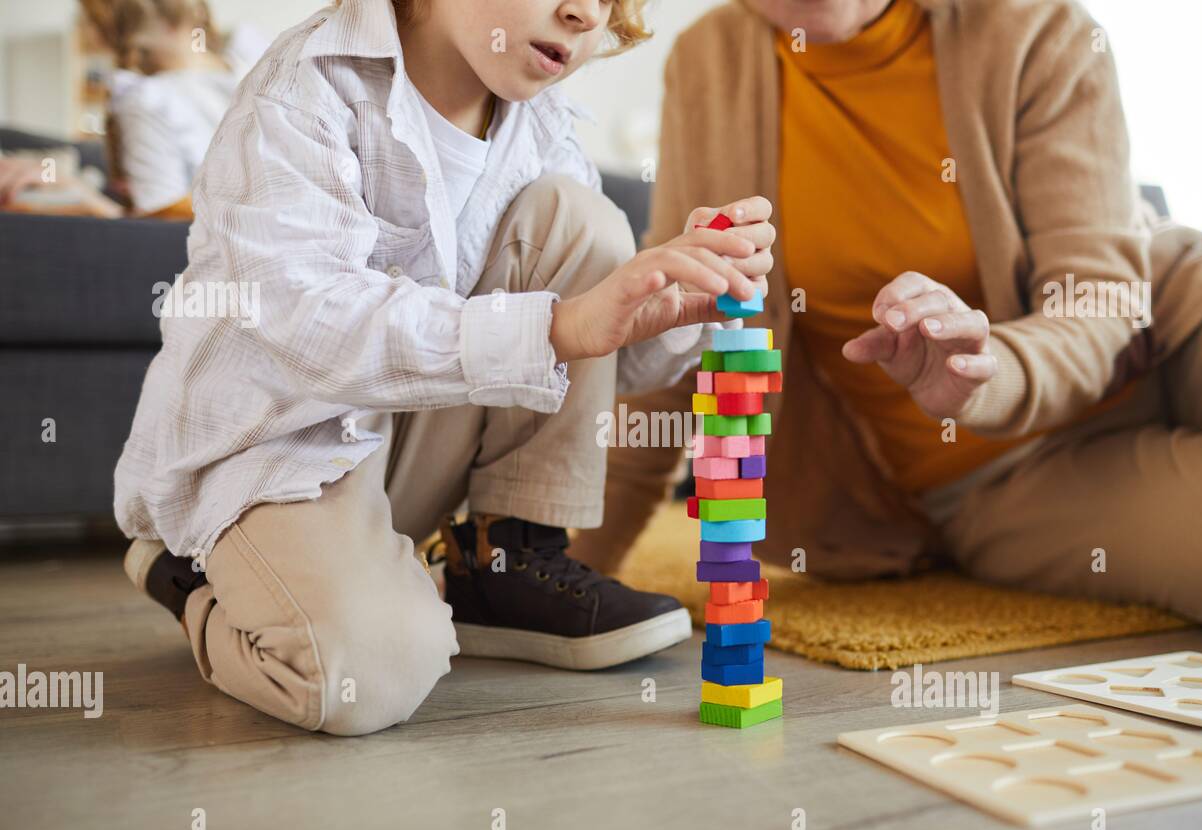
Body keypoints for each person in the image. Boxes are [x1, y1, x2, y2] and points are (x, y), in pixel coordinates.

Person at [114, 0, 776, 735]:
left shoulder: (540, 125)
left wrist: (675, 296)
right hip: (275, 457)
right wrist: (562, 322)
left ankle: (505, 558)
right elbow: (304, 323)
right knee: (364, 675)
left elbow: (594, 354)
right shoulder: (305, 86)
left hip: (405, 453)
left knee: (583, 220)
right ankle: (187, 582)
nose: (585, 12)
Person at [570, 0, 1202, 644]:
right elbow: (688, 331)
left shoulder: (1034, 25)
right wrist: (563, 572)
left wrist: (990, 367)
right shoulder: (711, 63)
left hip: (1181, 317)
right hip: (1009, 475)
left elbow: (1100, 300)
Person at [79, 0, 266, 217]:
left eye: (90, 22)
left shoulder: (146, 101)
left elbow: (161, 221)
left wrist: (95, 208)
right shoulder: (260, 66)